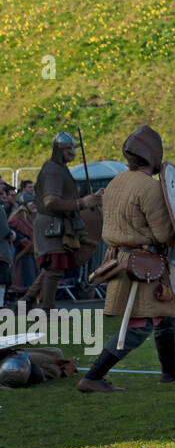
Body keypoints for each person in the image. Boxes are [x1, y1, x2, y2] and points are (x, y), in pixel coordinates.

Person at [77, 126, 175, 392]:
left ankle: (170, 370)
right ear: (153, 155)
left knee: (167, 312)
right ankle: (93, 377)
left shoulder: (115, 183)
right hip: (143, 264)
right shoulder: (150, 188)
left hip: (122, 258)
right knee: (138, 325)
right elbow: (163, 233)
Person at [30, 132, 101, 313]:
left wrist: (89, 199)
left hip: (59, 222)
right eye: (68, 149)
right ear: (58, 150)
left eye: (73, 148)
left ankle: (27, 300)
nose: (72, 152)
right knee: (54, 268)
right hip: (50, 224)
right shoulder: (53, 170)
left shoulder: (60, 168)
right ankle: (46, 311)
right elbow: (51, 201)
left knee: (54, 268)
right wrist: (82, 203)